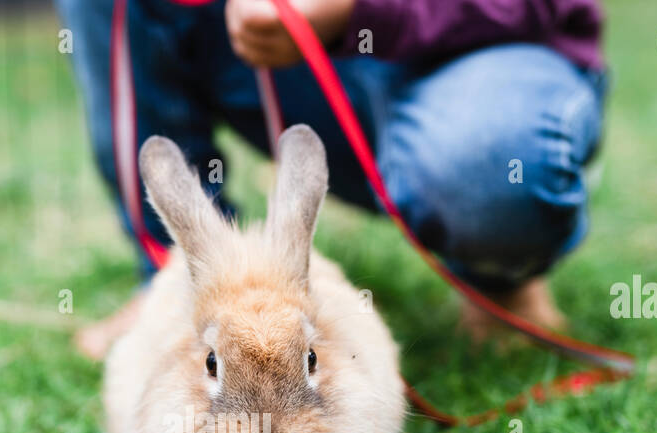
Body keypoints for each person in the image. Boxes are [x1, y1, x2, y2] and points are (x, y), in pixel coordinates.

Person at [56, 0, 607, 358]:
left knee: (488, 164)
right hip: (278, 54)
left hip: (471, 47)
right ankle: (182, 278)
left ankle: (499, 270)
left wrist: (357, 10)